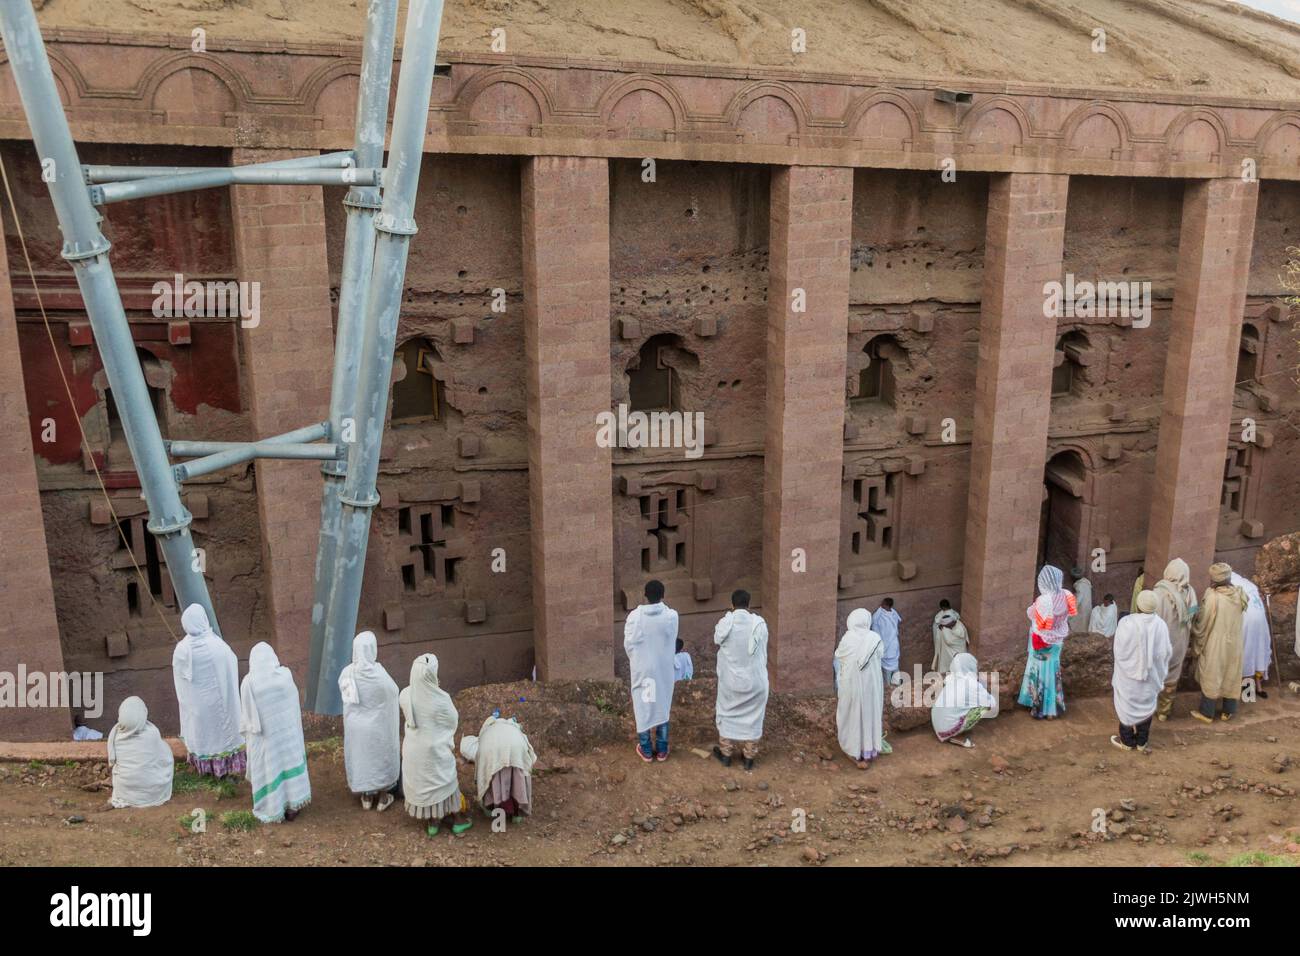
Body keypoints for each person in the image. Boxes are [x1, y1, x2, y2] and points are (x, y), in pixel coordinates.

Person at [239, 643, 310, 823]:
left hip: (266, 740)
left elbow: (248, 716)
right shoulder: (285, 676)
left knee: (272, 769)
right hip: (287, 736)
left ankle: (274, 806)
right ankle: (293, 807)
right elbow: (293, 705)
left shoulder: (249, 682)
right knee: (289, 765)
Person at [400, 653, 470, 835]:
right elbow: (452, 721)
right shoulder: (441, 699)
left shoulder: (405, 694)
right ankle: (457, 820)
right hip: (434, 752)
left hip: (413, 751)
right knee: (445, 783)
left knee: (426, 783)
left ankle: (433, 823)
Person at [172, 604, 245, 778]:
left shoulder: (181, 650)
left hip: (198, 707)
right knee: (223, 734)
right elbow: (231, 665)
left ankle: (206, 770)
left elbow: (180, 679)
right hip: (221, 704)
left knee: (204, 735)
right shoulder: (217, 645)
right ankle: (228, 770)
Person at [338, 631, 400, 811]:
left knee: (362, 760)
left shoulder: (347, 673)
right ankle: (383, 797)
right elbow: (393, 692)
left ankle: (366, 796)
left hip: (356, 728)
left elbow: (347, 699)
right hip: (378, 728)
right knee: (380, 760)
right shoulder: (379, 675)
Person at [712, 589, 769, 771]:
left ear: (732, 604)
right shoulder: (759, 624)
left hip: (731, 682)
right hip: (756, 681)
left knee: (726, 713)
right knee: (753, 717)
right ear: (749, 604)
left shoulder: (726, 623)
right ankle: (749, 757)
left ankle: (726, 754)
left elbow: (717, 639)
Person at [1110, 590, 1173, 753]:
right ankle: (1142, 742)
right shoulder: (1161, 625)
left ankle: (1127, 741)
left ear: (1138, 605)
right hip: (1151, 677)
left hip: (1128, 678)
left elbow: (1119, 650)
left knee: (1126, 705)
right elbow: (1165, 652)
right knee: (1146, 706)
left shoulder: (1126, 623)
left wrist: (1132, 665)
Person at [623, 579, 678, 762]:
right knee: (662, 705)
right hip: (662, 670)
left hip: (644, 670)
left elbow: (629, 645)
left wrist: (638, 661)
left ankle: (646, 749)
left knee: (644, 705)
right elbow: (671, 639)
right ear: (663, 595)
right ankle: (662, 749)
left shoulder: (635, 617)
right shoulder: (671, 616)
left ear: (645, 595)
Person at [1189, 563, 1248, 724]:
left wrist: (1195, 634)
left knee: (1212, 675)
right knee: (1231, 673)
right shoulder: (1239, 593)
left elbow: (1203, 623)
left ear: (1214, 580)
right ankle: (1228, 711)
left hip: (1216, 643)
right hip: (1235, 643)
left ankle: (1207, 713)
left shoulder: (1213, 597)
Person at [1018, 565, 1076, 719]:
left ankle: (1038, 707)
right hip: (1058, 641)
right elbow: (1069, 614)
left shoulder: (1044, 600)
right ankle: (1051, 709)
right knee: (1052, 673)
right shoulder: (1067, 594)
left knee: (1039, 674)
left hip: (1042, 640)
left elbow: (1031, 614)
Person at [835, 608, 886, 769]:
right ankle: (867, 751)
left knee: (851, 714)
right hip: (871, 686)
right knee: (869, 715)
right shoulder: (875, 638)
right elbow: (880, 656)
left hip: (852, 685)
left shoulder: (848, 638)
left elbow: (840, 656)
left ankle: (853, 750)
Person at [461, 714, 536, 824]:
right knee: (517, 780)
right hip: (516, 748)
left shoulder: (486, 731)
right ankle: (517, 813)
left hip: (490, 749)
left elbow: (477, 760)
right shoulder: (515, 729)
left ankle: (492, 808)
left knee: (493, 779)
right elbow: (530, 757)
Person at [106, 696, 174, 809]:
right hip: (153, 794)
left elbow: (113, 761)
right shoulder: (152, 733)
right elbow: (165, 757)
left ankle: (130, 792)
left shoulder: (116, 736)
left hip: (125, 793)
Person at [1152, 558, 1197, 721]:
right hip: (1179, 641)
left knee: (1156, 672)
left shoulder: (1158, 593)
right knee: (1172, 675)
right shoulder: (1189, 592)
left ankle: (1149, 706)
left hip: (1162, 641)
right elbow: (1193, 614)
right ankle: (1164, 711)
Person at [930, 653, 996, 748]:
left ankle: (953, 728)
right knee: (984, 706)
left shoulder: (951, 678)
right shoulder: (971, 684)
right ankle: (955, 732)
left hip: (937, 724)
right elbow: (992, 702)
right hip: (945, 729)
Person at [1232, 571, 1272, 699]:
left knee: (1248, 655)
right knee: (1259, 653)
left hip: (1248, 623)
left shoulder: (1233, 586)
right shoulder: (1249, 585)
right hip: (1261, 622)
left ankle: (1248, 693)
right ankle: (1259, 687)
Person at [931, 600, 969, 673]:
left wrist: (942, 628)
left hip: (955, 655)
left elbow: (949, 641)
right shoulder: (959, 623)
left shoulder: (944, 629)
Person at [872, 598, 902, 686]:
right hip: (894, 644)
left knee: (887, 666)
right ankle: (896, 683)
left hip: (888, 644)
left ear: (886, 605)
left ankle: (888, 685)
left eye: (883, 604)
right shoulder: (893, 613)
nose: (881, 605)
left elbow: (875, 624)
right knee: (895, 665)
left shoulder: (883, 615)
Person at [1070, 567, 1093, 635]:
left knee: (1079, 622)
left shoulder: (1079, 585)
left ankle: (1080, 634)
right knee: (1085, 621)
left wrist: (1073, 607)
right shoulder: (1087, 583)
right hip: (1088, 605)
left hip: (1082, 606)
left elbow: (1079, 598)